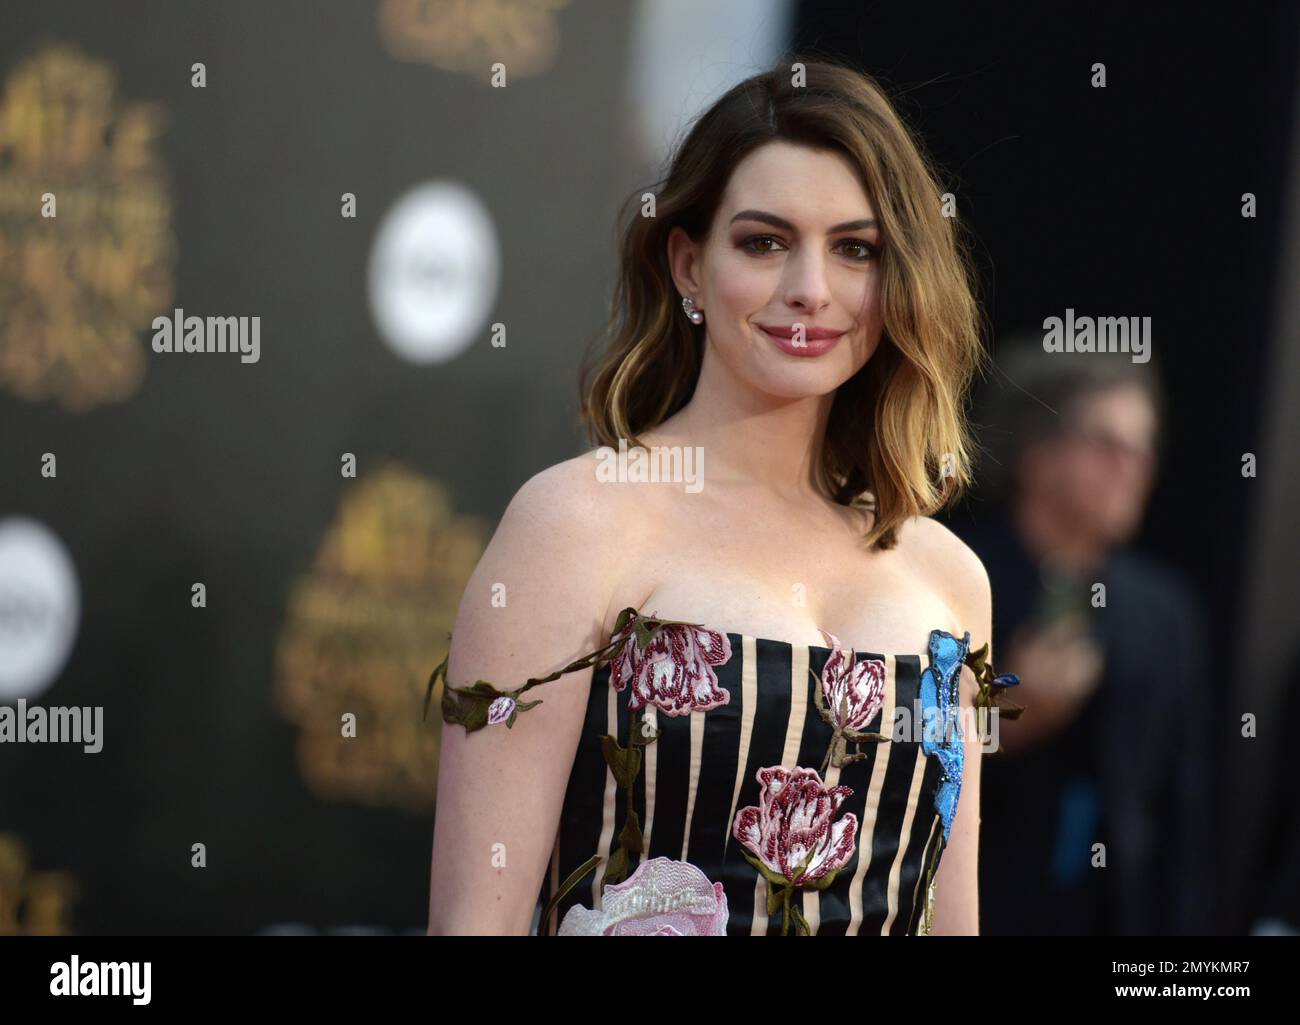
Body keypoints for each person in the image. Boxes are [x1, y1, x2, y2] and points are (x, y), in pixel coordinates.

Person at [425, 58, 1017, 937]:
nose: (810, 288)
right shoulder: (572, 526)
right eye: (764, 241)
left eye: (855, 249)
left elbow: (952, 920)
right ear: (688, 265)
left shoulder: (954, 580)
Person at [949, 338, 1216, 934]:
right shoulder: (956, 577)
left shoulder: (1164, 614)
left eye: (1144, 450)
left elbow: (1182, 816)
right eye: (1108, 444)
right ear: (1036, 455)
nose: (1133, 468)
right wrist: (999, 723)